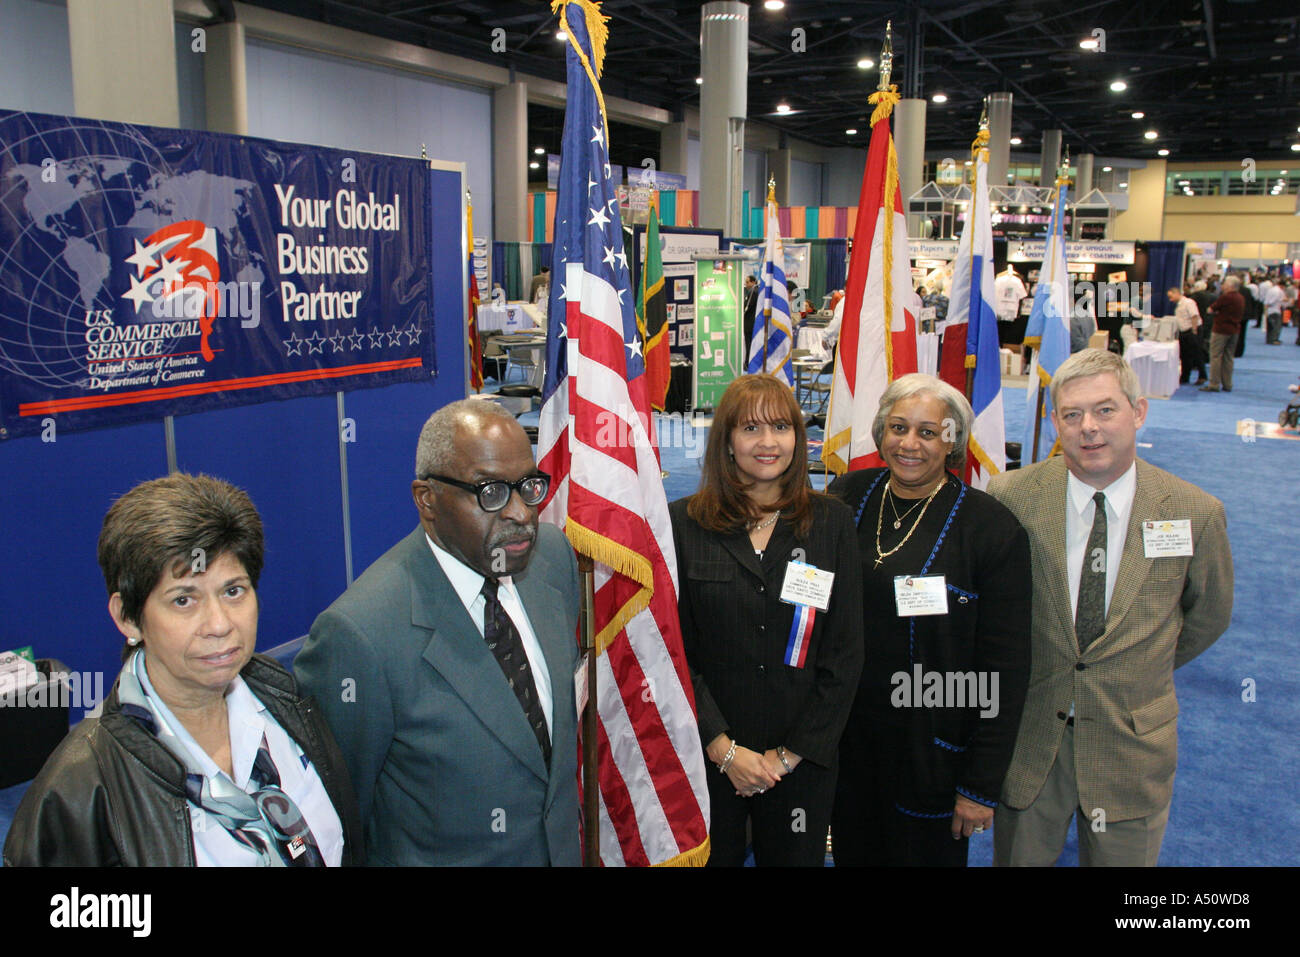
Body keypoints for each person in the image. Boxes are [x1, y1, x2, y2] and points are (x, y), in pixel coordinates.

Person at [3, 474, 362, 867]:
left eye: (233, 591)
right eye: (184, 600)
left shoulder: (287, 701)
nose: (220, 624)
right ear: (128, 618)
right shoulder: (81, 790)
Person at [295, 400, 581, 865]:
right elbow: (341, 825)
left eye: (528, 487)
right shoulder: (358, 636)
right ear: (427, 499)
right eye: (490, 492)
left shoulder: (551, 558)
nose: (521, 514)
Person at [988, 349, 1233, 866]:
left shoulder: (1194, 512)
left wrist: (1138, 665)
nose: (1088, 429)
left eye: (1105, 410)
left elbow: (1207, 615)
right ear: (1055, 421)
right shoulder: (1012, 495)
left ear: (1138, 412)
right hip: (1033, 739)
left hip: (1132, 746)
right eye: (1072, 415)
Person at [828, 374, 1031, 866]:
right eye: (898, 427)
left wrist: (980, 785)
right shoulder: (847, 496)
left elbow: (1004, 667)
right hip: (846, 742)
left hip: (932, 754)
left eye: (928, 431)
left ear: (953, 440)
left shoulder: (990, 529)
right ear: (880, 433)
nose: (909, 444)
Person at [671, 374, 863, 866]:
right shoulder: (682, 524)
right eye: (750, 428)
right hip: (709, 756)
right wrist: (723, 750)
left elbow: (844, 654)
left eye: (781, 426)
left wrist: (788, 756)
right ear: (727, 442)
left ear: (799, 438)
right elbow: (675, 652)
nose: (768, 442)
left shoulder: (833, 523)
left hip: (801, 760)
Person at [1200, 275, 1245, 392]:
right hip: (1234, 330)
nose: (1223, 286)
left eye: (1224, 284)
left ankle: (1214, 383)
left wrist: (1216, 312)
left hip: (1221, 330)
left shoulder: (1226, 297)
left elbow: (1210, 309)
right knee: (1228, 357)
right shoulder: (1240, 298)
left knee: (1215, 356)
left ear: (1230, 286)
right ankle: (1227, 383)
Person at [1167, 286, 1206, 384]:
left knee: (1197, 354)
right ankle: (1185, 376)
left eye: (1171, 297)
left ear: (1176, 293)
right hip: (1184, 332)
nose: (1170, 300)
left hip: (1192, 331)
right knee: (1184, 355)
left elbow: (1194, 316)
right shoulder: (1179, 305)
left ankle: (1202, 376)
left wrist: (1194, 330)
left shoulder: (1188, 302)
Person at [1260, 275, 1284, 345]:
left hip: (1269, 310)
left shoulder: (1271, 289)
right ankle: (1273, 339)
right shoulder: (1278, 291)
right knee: (1276, 326)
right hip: (1275, 309)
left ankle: (1269, 339)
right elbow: (1274, 300)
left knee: (1270, 326)